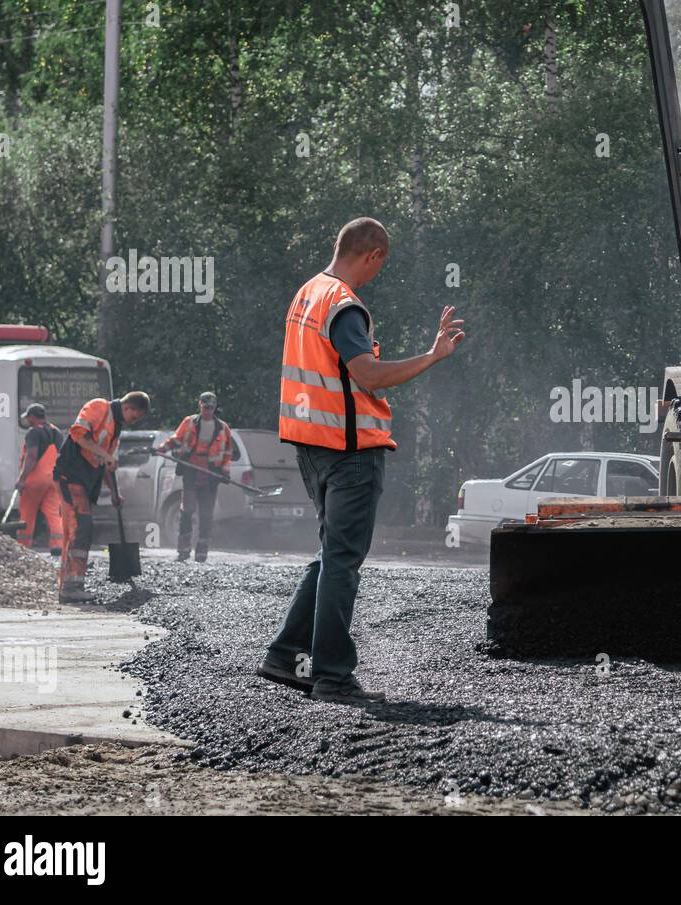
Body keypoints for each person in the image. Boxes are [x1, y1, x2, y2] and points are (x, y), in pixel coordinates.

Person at [257, 217, 466, 705]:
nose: (376, 275)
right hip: (348, 450)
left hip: (310, 444)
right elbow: (368, 375)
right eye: (380, 265)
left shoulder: (306, 293)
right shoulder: (345, 306)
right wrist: (432, 357)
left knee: (332, 554)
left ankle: (285, 654)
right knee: (343, 561)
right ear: (372, 255)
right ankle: (331, 673)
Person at [53, 391, 151, 603]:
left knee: (79, 529)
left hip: (85, 482)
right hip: (69, 475)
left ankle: (69, 586)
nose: (134, 421)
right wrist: (106, 455)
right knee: (81, 527)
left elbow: (105, 465)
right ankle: (71, 587)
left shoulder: (116, 428)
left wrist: (115, 494)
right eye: (135, 417)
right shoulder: (99, 407)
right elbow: (79, 434)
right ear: (128, 408)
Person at [157, 391, 232, 562]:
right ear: (199, 405)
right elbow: (175, 440)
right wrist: (161, 449)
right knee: (187, 511)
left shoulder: (222, 428)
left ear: (215, 408)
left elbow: (227, 452)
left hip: (211, 475)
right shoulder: (189, 423)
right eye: (205, 407)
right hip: (191, 472)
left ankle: (201, 553)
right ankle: (183, 550)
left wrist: (225, 472)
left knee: (206, 514)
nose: (208, 411)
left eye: (211, 408)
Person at [14, 403, 64, 555]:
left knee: (27, 512)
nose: (28, 420)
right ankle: (58, 546)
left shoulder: (33, 433)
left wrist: (22, 479)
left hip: (36, 479)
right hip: (54, 479)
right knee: (54, 512)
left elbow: (32, 456)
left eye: (28, 417)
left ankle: (23, 546)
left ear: (33, 417)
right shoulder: (57, 432)